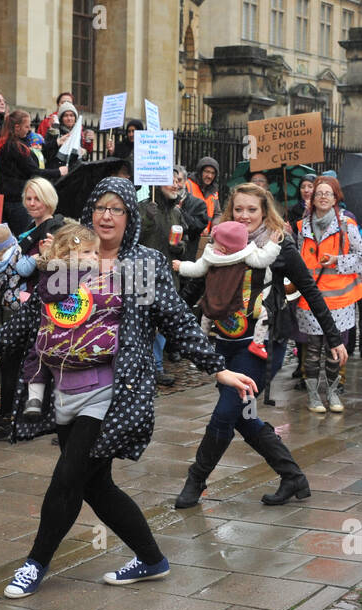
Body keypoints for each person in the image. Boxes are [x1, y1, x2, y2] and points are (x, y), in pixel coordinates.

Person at [0, 177, 258, 597]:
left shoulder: (141, 264)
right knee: (94, 484)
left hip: (112, 390)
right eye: (100, 208)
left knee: (68, 475)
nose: (107, 216)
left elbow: (177, 319)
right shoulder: (71, 255)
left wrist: (217, 368)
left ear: (129, 218)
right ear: (90, 212)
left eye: (117, 209)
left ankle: (34, 564)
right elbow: (35, 311)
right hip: (65, 386)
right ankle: (151, 558)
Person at [175, 182, 349, 509]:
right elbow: (195, 286)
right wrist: (171, 320)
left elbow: (310, 290)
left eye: (251, 210)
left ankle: (196, 479)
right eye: (238, 209)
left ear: (264, 212)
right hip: (223, 346)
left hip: (260, 346)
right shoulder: (221, 242)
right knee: (243, 416)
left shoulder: (277, 246)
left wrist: (334, 337)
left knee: (226, 413)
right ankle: (292, 477)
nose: (244, 216)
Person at [0, 177, 64, 442]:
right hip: (24, 306)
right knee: (18, 364)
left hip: (42, 308)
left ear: (48, 199)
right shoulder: (28, 229)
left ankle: (11, 421)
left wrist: (45, 256)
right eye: (28, 198)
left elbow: (61, 267)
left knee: (31, 364)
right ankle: (16, 419)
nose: (32, 203)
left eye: (37, 198)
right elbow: (14, 262)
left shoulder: (53, 229)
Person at [293, 175, 362, 414]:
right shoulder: (301, 226)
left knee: (335, 350)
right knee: (312, 351)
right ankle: (314, 396)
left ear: (336, 198)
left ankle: (333, 392)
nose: (323, 197)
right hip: (310, 299)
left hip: (339, 299)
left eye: (328, 193)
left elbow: (361, 259)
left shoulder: (347, 225)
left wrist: (337, 261)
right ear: (312, 198)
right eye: (319, 193)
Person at [20, 221, 102, 417]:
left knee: (37, 354)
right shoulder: (74, 274)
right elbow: (49, 294)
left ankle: (35, 397)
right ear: (67, 255)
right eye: (87, 252)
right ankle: (38, 398)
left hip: (61, 333)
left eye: (96, 253)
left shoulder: (52, 273)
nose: (94, 257)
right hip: (64, 331)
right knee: (39, 356)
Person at [174, 219, 281, 359]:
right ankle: (257, 343)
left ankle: (202, 342)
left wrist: (181, 266)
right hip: (241, 303)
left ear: (223, 248)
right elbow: (265, 258)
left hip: (216, 301)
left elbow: (196, 269)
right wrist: (273, 244)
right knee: (264, 315)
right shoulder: (247, 256)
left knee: (206, 315)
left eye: (215, 241)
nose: (212, 244)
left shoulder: (211, 257)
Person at [139, 173, 187, 386]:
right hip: (144, 274)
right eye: (171, 179)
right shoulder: (144, 207)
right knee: (145, 324)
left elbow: (181, 240)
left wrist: (180, 247)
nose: (175, 185)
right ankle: (150, 367)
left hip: (168, 275)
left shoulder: (175, 212)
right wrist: (146, 219)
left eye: (178, 181)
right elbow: (132, 237)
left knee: (163, 322)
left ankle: (156, 366)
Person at [0, 109, 67, 236]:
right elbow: (34, 170)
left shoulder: (4, 142)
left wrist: (55, 142)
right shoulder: (15, 146)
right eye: (27, 126)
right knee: (23, 235)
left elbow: (35, 150)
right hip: (16, 199)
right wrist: (58, 172)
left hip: (4, 197)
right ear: (17, 127)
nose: (29, 130)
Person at [185, 157, 221, 235]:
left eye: (213, 173)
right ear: (200, 171)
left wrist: (215, 227)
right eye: (207, 172)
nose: (210, 176)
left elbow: (217, 214)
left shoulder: (214, 191)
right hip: (188, 235)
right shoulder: (187, 185)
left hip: (205, 236)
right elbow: (181, 212)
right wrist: (199, 227)